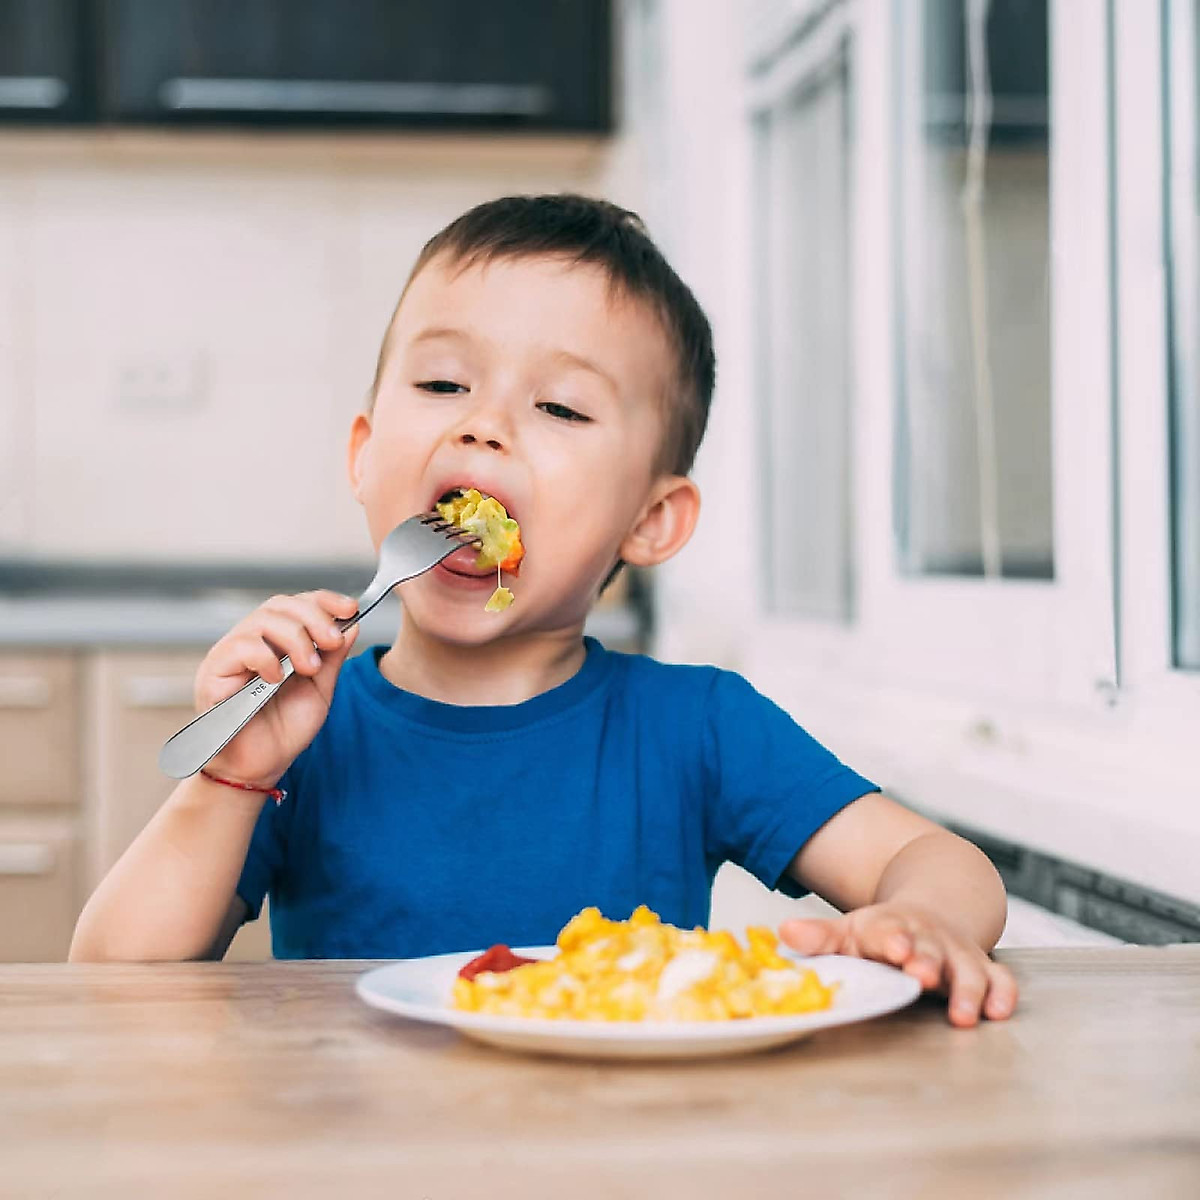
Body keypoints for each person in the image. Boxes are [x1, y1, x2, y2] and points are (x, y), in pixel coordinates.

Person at [71, 194, 1017, 1028]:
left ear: (649, 521)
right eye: (443, 383)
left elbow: (941, 862)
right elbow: (110, 983)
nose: (482, 424)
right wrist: (226, 778)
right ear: (363, 455)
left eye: (561, 407)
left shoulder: (698, 729)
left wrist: (921, 922)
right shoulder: (301, 739)